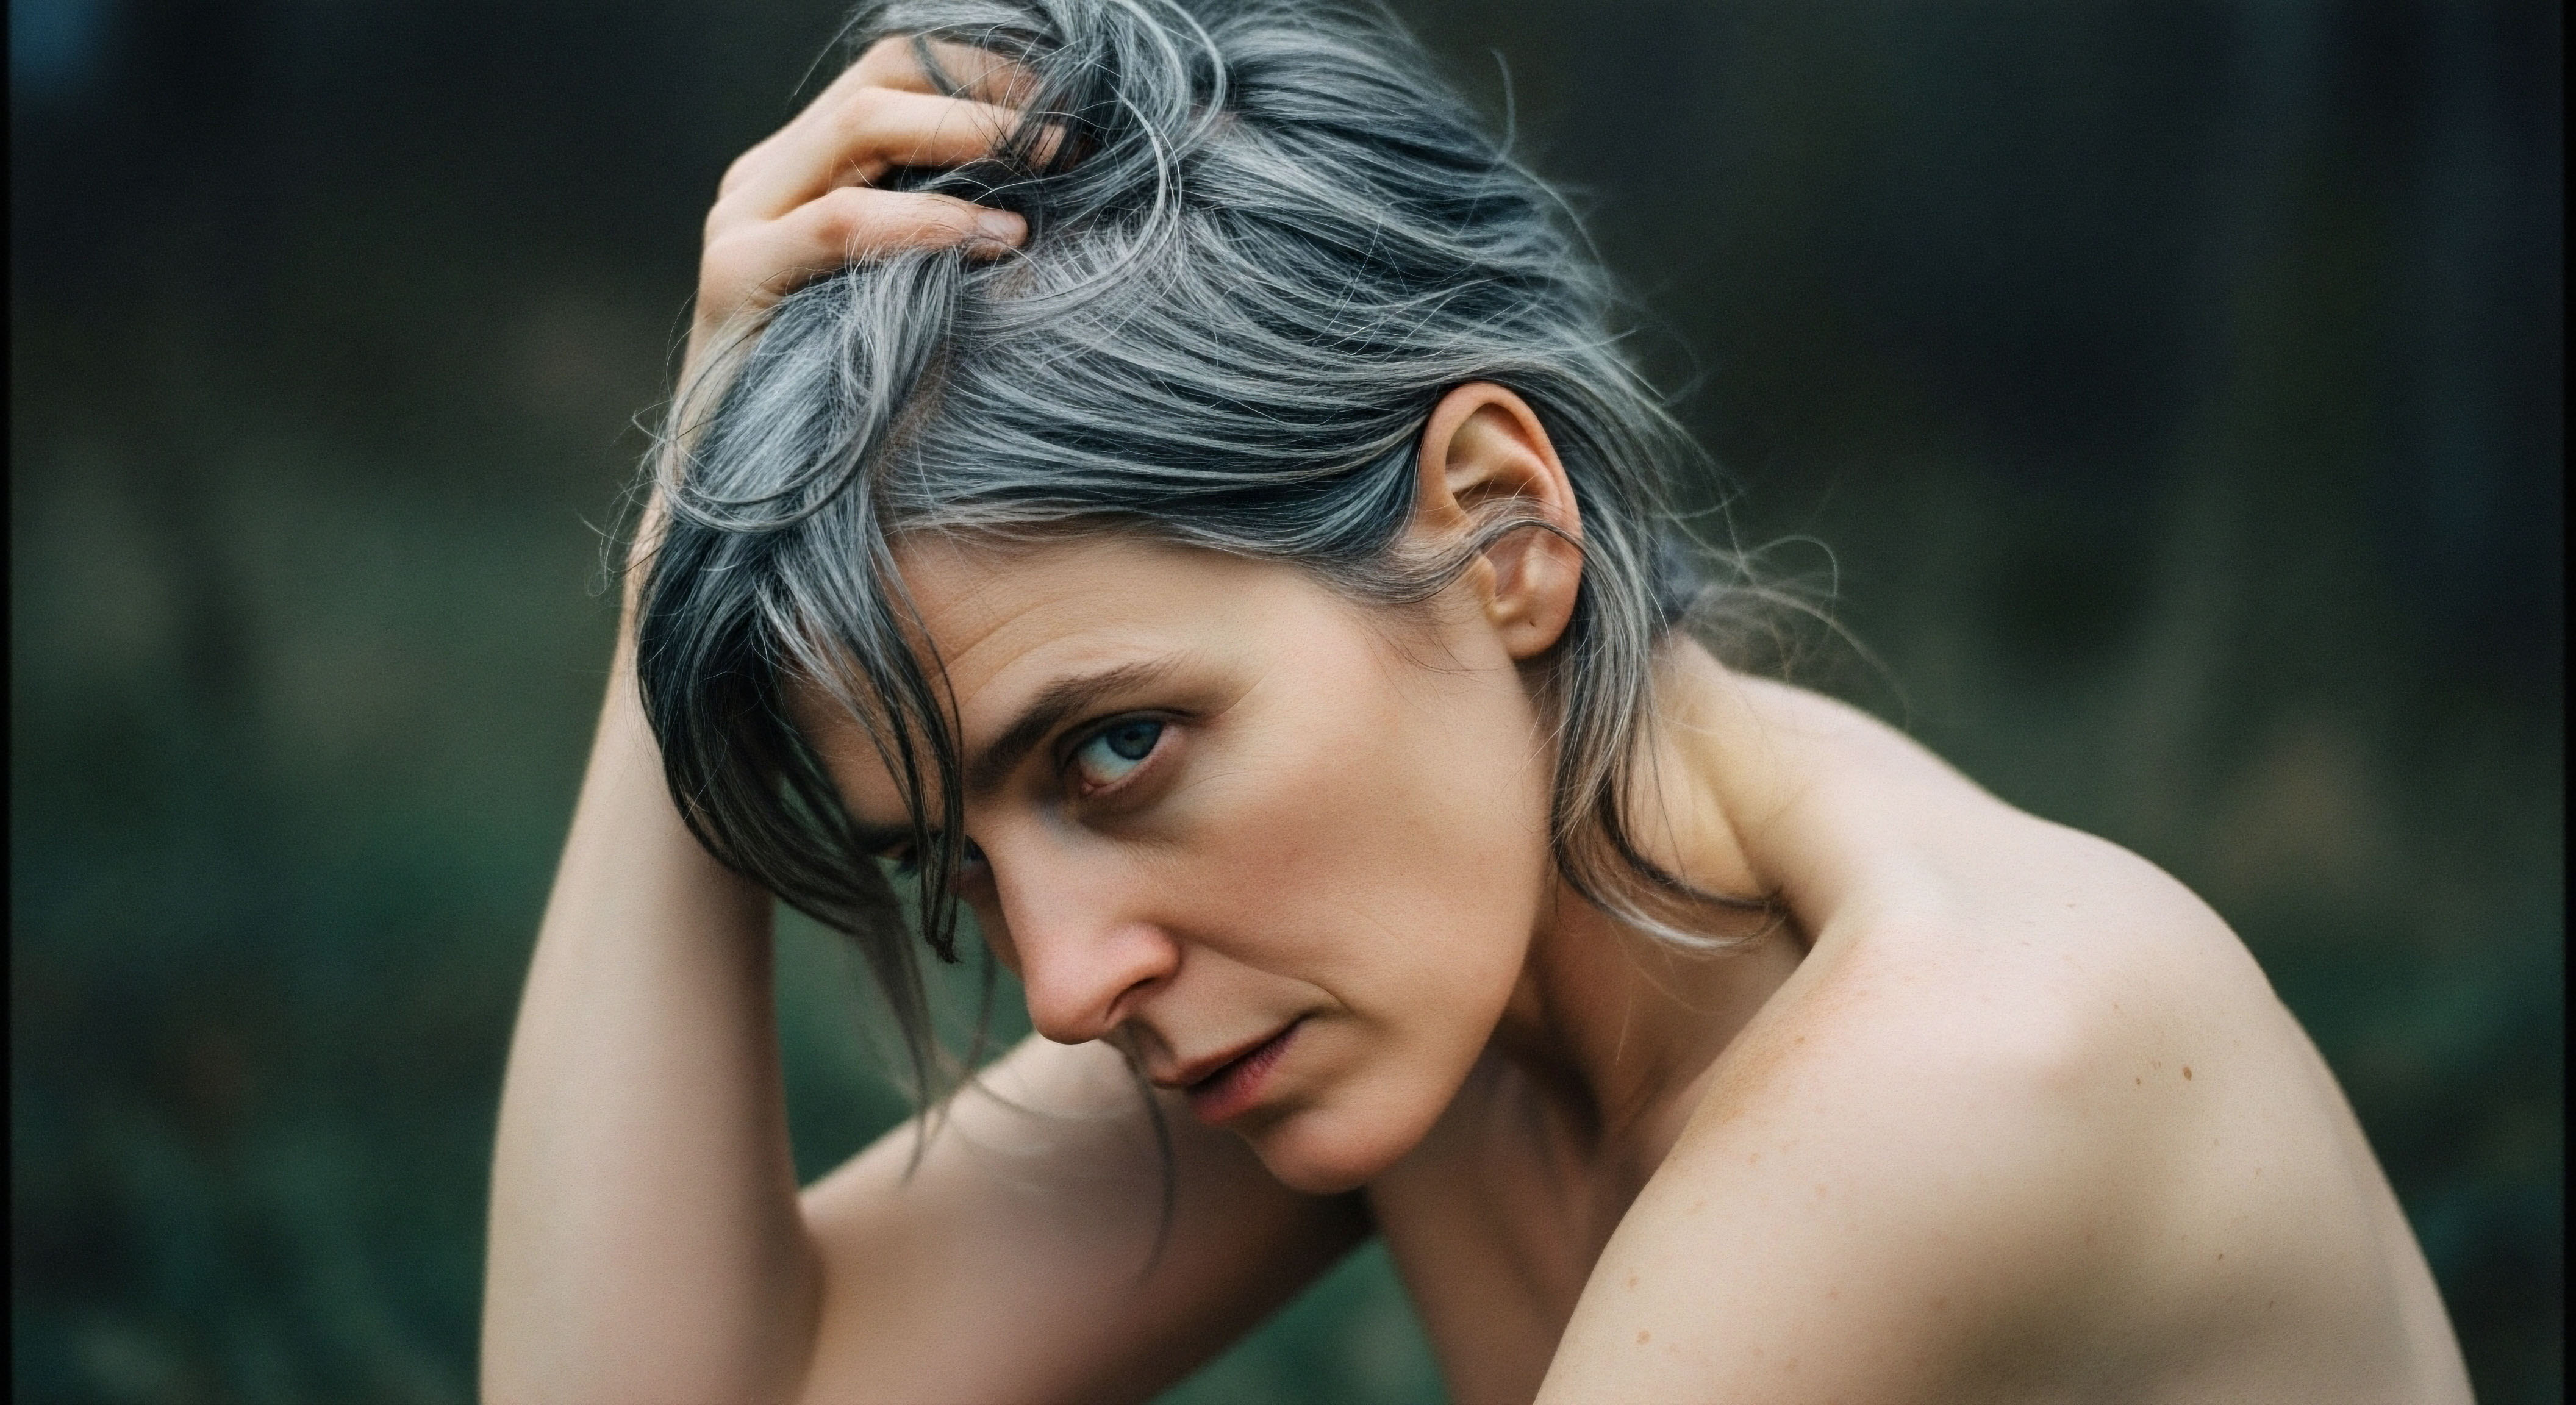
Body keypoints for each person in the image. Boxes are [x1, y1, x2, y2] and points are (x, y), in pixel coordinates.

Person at [480, 2, 2475, 1401]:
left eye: (1116, 748)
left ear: (1506, 528)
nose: (1070, 982)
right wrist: (697, 531)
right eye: (959, 865)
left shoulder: (1962, 1076)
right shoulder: (1437, 975)